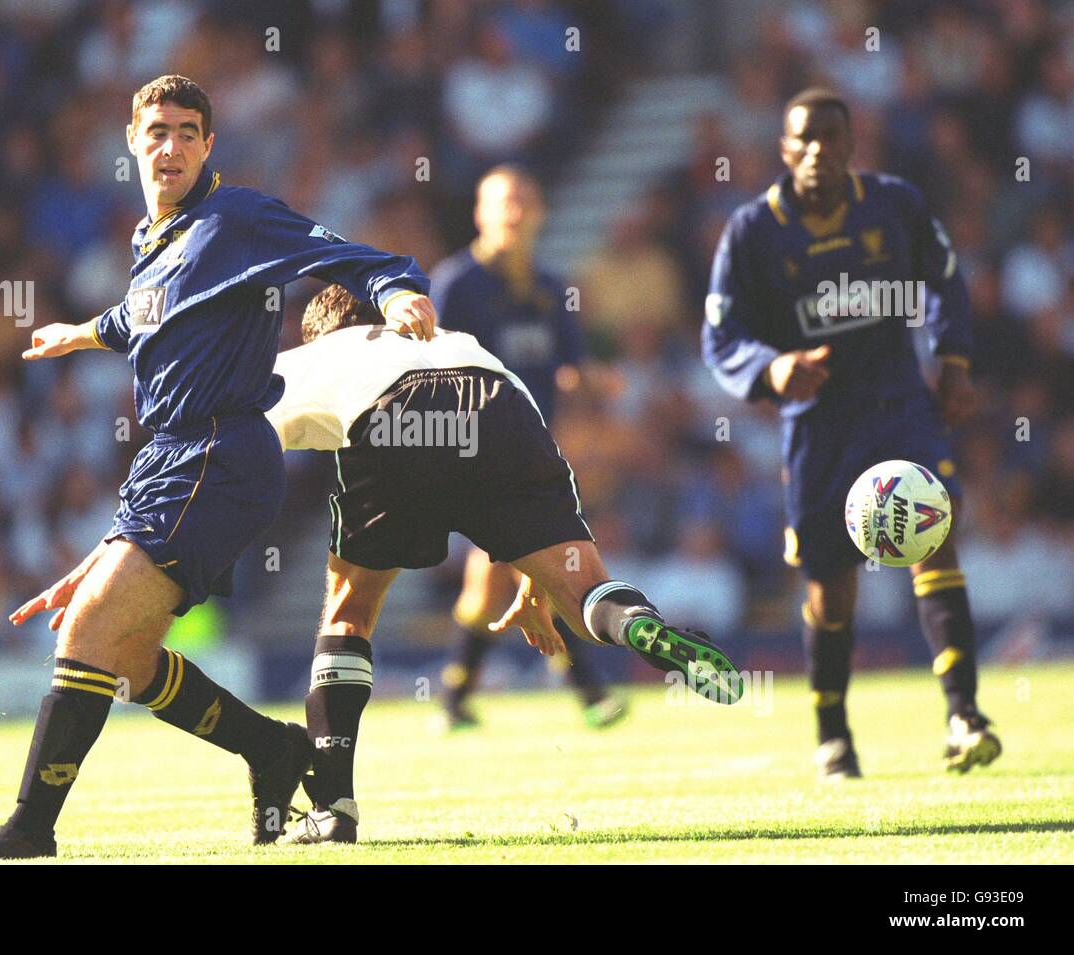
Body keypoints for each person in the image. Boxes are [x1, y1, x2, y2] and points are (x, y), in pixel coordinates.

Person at [0, 75, 436, 860]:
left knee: (87, 629)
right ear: (132, 143)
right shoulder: (153, 240)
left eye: (187, 132)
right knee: (129, 656)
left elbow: (345, 255)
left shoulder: (237, 216)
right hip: (167, 457)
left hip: (219, 451)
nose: (170, 146)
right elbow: (141, 316)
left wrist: (394, 289)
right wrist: (80, 333)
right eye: (157, 132)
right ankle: (274, 751)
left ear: (209, 144)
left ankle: (30, 830)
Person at [266, 284, 744, 844]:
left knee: (350, 612)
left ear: (322, 331)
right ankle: (640, 625)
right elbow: (506, 470)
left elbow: (234, 417)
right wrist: (536, 581)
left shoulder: (326, 351)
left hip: (396, 413)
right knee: (586, 587)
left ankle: (335, 810)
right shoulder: (455, 339)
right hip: (503, 408)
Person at [701, 88, 1000, 780]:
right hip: (818, 426)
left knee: (935, 536)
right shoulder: (752, 231)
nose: (817, 151)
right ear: (783, 149)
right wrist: (774, 368)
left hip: (900, 405)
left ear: (851, 144)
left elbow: (947, 282)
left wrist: (952, 362)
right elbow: (721, 335)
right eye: (803, 139)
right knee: (830, 591)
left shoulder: (895, 203)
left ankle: (965, 714)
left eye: (831, 137)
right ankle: (833, 733)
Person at [429, 165, 626, 732]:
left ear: (538, 213)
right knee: (542, 559)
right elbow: (429, 364)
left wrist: (594, 381)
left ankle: (453, 698)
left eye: (523, 201)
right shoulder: (457, 285)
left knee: (493, 577)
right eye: (503, 201)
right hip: (477, 450)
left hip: (535, 451)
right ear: (480, 213)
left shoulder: (547, 286)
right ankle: (588, 690)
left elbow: (570, 367)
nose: (514, 212)